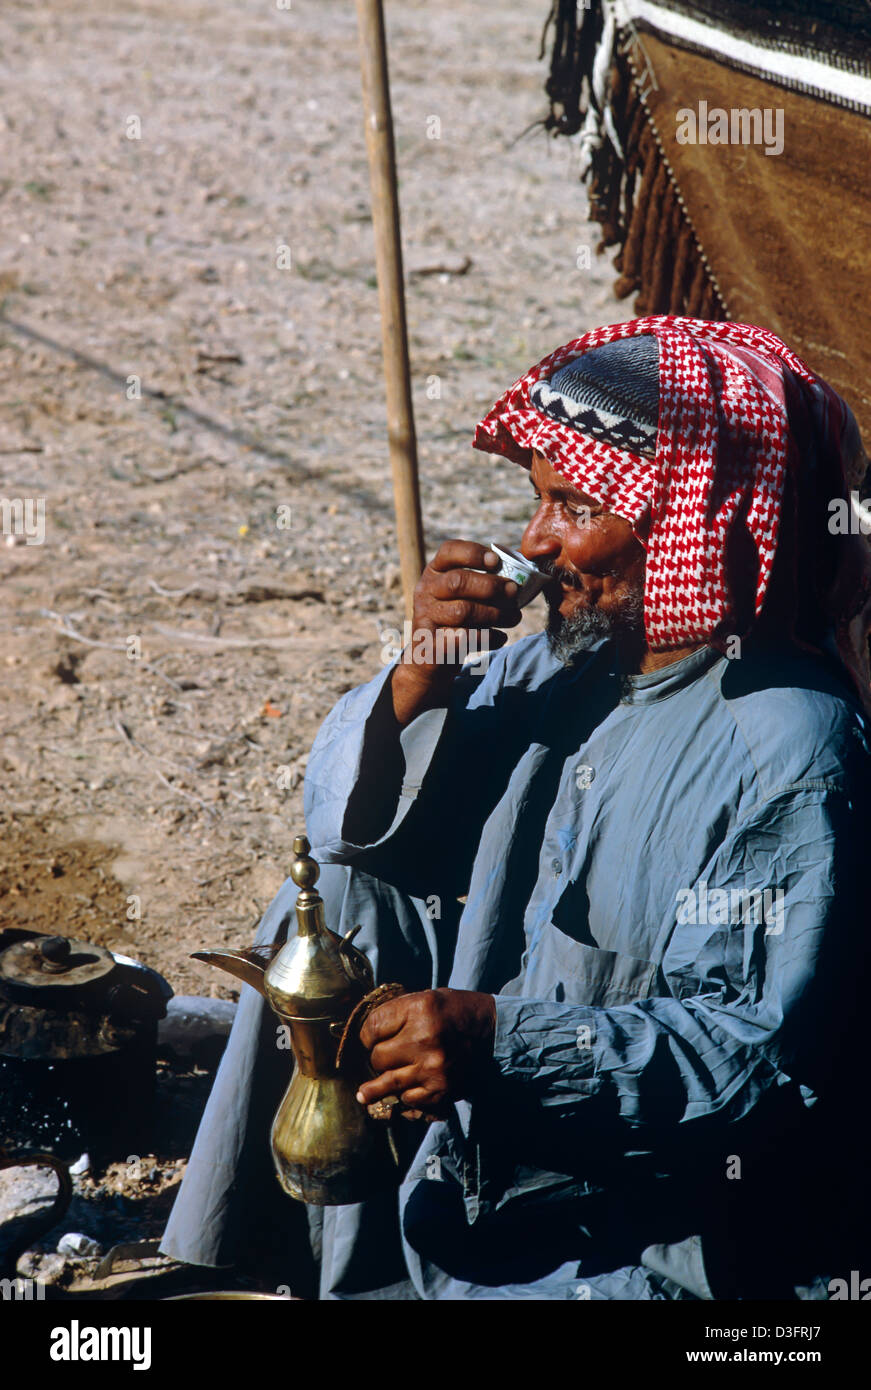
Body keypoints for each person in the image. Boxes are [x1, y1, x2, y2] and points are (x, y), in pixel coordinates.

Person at [162, 316, 871, 1300]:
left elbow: (751, 1056)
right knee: (335, 901)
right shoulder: (559, 663)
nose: (534, 543)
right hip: (475, 1170)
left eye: (573, 505)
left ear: (692, 522)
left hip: (645, 1232)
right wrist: (423, 673)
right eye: (534, 501)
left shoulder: (789, 748)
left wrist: (500, 1041)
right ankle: (284, 1253)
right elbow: (354, 832)